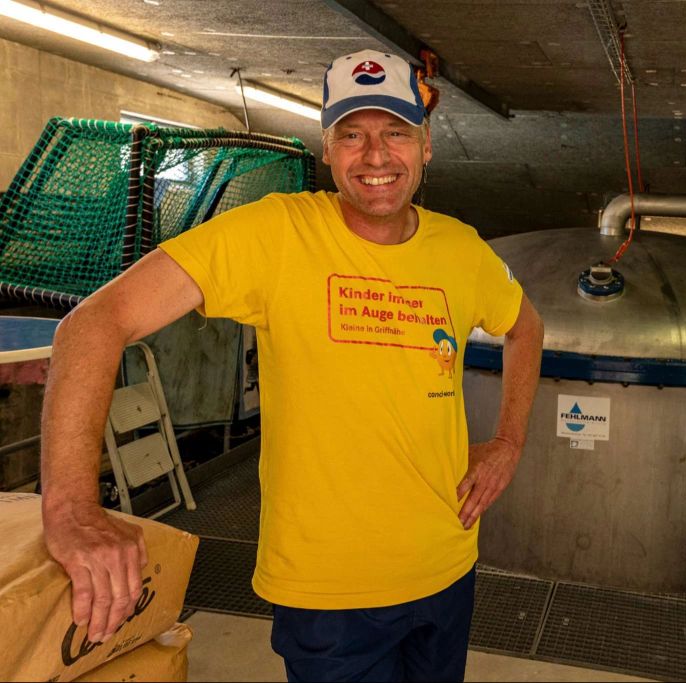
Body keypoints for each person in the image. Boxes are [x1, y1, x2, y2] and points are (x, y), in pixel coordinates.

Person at [40, 48, 544, 682]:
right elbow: (92, 323)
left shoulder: (463, 251)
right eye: (352, 135)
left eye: (396, 132)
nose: (377, 155)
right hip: (329, 593)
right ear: (327, 151)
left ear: (426, 146)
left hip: (447, 566)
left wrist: (507, 442)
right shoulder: (274, 234)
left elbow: (526, 327)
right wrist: (72, 509)